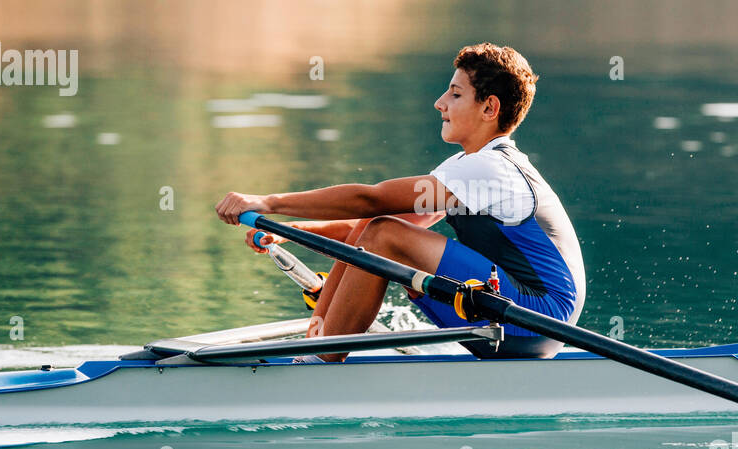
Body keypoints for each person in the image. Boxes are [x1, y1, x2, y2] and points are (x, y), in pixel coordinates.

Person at [215, 42, 585, 360]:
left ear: (490, 108)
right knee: (377, 229)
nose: (440, 103)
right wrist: (292, 232)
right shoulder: (468, 167)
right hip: (512, 316)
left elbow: (369, 199)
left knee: (382, 232)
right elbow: (373, 225)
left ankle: (320, 360)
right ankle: (318, 344)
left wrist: (267, 202)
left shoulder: (491, 168)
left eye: (455, 94)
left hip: (535, 318)